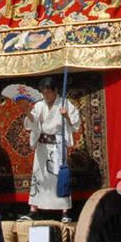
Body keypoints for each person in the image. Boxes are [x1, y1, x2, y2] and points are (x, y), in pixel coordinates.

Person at [23, 77, 81, 219]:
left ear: (55, 91)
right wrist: (28, 113)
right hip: (43, 145)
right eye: (44, 93)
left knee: (58, 177)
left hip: (57, 145)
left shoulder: (65, 104)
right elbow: (33, 122)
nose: (46, 96)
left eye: (48, 92)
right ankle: (34, 208)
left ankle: (64, 211)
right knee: (39, 176)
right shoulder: (39, 105)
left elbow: (75, 124)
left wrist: (66, 116)